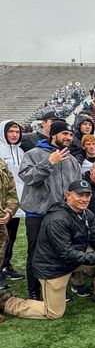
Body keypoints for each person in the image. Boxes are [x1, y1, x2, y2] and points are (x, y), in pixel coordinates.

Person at [0, 180, 95, 321]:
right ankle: (7, 302)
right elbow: (65, 253)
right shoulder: (57, 218)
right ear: (68, 195)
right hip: (53, 266)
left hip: (72, 259)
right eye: (80, 195)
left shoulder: (87, 213)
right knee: (53, 312)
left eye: (87, 195)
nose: (84, 199)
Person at [19, 120, 81, 300]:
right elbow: (28, 178)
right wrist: (49, 162)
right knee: (35, 253)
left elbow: (75, 188)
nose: (68, 137)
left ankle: (59, 288)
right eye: (65, 134)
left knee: (61, 251)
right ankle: (34, 290)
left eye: (71, 134)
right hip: (37, 214)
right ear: (54, 134)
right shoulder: (33, 154)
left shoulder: (72, 160)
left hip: (61, 215)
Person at [0, 120, 25, 283]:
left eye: (17, 132)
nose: (14, 135)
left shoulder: (21, 151)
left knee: (11, 236)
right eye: (11, 131)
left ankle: (6, 265)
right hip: (2, 201)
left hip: (15, 202)